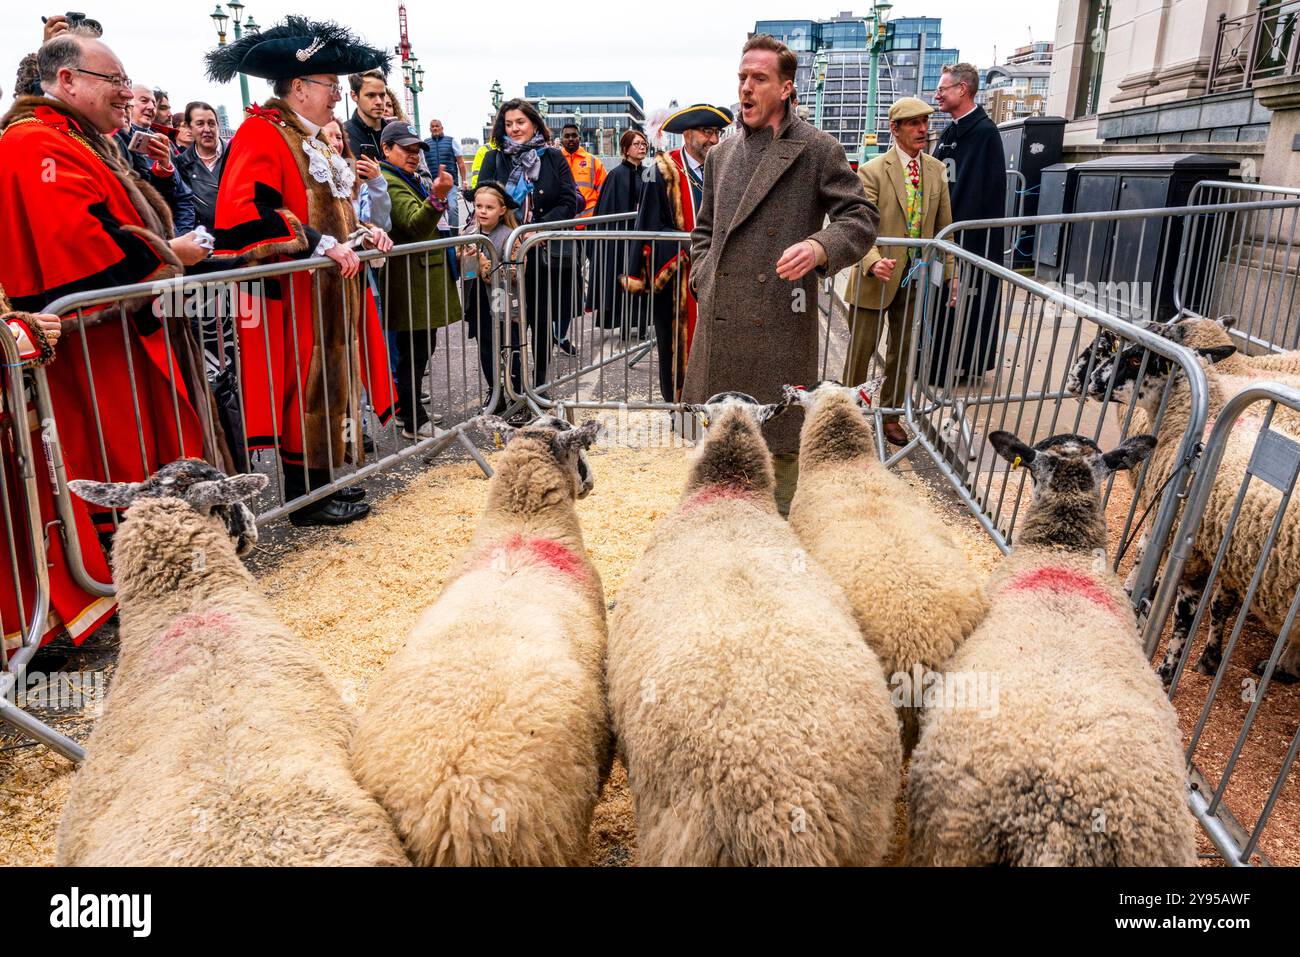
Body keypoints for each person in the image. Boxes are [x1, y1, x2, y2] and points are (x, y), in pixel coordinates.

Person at [0, 36, 220, 645]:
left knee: (134, 450)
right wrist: (165, 257)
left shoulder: (72, 136)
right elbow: (77, 245)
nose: (127, 91)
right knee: (105, 459)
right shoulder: (34, 143)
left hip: (116, 335)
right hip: (86, 345)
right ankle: (114, 583)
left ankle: (145, 572)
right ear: (68, 80)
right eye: (114, 79)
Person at [206, 16, 398, 527]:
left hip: (331, 291)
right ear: (299, 87)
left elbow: (332, 216)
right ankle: (306, 497)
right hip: (295, 296)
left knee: (334, 387)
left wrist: (361, 233)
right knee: (303, 394)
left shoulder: (308, 139)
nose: (337, 97)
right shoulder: (261, 133)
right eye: (330, 87)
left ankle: (329, 477)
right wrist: (319, 243)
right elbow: (245, 217)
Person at [686, 35, 877, 516]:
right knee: (718, 455)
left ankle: (780, 541)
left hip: (779, 322)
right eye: (742, 78)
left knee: (780, 454)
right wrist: (704, 276)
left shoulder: (816, 149)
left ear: (787, 87)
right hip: (720, 324)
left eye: (759, 79)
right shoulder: (721, 154)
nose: (746, 89)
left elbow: (860, 216)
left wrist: (820, 247)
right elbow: (704, 230)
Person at [844, 97, 955, 448]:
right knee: (860, 354)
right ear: (895, 129)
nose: (922, 129)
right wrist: (872, 261)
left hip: (915, 277)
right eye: (912, 123)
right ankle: (850, 416)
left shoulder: (936, 170)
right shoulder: (873, 170)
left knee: (903, 351)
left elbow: (944, 227)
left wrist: (950, 275)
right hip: (876, 278)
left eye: (924, 121)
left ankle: (890, 415)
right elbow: (862, 225)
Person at [624, 103, 731, 402]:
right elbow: (649, 226)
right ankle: (679, 413)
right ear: (687, 134)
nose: (713, 140)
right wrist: (686, 245)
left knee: (717, 346)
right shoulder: (661, 171)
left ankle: (714, 409)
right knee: (675, 349)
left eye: (717, 133)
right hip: (676, 278)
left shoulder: (724, 168)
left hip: (718, 275)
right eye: (706, 132)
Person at [476, 98, 579, 397]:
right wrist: (510, 233)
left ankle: (541, 384)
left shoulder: (552, 158)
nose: (514, 128)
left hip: (539, 253)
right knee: (507, 322)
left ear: (534, 123)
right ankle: (512, 385)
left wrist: (534, 229)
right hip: (503, 257)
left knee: (541, 321)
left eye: (520, 122)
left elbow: (568, 201)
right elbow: (482, 199)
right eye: (508, 124)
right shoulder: (495, 159)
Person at [379, 121, 461, 438]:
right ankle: (414, 418)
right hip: (410, 279)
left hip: (418, 278)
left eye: (416, 150)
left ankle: (410, 411)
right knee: (414, 352)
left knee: (419, 350)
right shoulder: (388, 180)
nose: (414, 155)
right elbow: (415, 225)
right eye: (406, 149)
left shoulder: (404, 177)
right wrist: (439, 197)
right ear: (387, 149)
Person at [932, 62, 1007, 385]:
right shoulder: (950, 131)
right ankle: (936, 361)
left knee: (964, 300)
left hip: (968, 241)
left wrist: (956, 237)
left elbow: (980, 193)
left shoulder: (985, 134)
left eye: (943, 88)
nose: (937, 94)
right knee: (940, 299)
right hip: (945, 237)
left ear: (962, 89)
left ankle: (962, 365)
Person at [459, 180, 520, 414]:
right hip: (478, 303)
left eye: (489, 207)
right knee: (486, 349)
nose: (482, 212)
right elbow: (466, 272)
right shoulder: (469, 233)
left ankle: (518, 394)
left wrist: (485, 264)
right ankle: (495, 393)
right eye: (479, 206)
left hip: (503, 301)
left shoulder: (511, 236)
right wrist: (466, 258)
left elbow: (513, 275)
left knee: (511, 347)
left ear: (502, 210)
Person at [589, 128, 648, 338]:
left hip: (642, 238)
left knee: (642, 279)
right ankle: (622, 323)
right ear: (625, 149)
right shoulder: (615, 175)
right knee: (621, 278)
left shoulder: (649, 173)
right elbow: (605, 209)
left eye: (644, 144)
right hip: (620, 240)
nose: (642, 147)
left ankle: (641, 325)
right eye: (637, 144)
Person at [115, 83, 195, 233]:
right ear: (127, 104)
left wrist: (180, 235)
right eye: (144, 101)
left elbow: (183, 197)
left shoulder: (162, 142)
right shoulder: (111, 139)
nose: (152, 107)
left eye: (154, 103)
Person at [175, 101, 227, 231]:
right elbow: (182, 206)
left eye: (211, 123)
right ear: (189, 128)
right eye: (200, 124)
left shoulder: (235, 154)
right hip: (204, 240)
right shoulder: (181, 163)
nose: (207, 130)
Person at [425, 118, 467, 229]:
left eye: (437, 126)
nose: (435, 128)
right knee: (438, 212)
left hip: (450, 183)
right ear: (430, 129)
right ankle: (442, 238)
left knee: (452, 208)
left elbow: (461, 163)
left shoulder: (451, 141)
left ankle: (454, 236)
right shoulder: (425, 144)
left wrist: (464, 181)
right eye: (432, 126)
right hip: (433, 184)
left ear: (442, 128)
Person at [561, 122, 605, 220]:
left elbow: (603, 192)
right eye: (567, 136)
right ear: (561, 140)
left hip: (589, 221)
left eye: (574, 135)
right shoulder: (555, 161)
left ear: (580, 139)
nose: (571, 139)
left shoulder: (594, 161)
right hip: (562, 221)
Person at [345, 68, 386, 160]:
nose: (379, 101)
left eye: (382, 95)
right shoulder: (343, 135)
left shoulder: (396, 132)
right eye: (371, 95)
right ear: (354, 96)